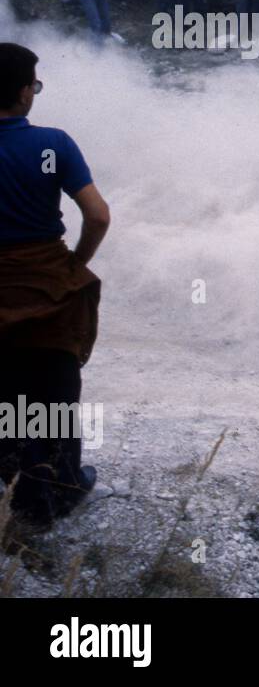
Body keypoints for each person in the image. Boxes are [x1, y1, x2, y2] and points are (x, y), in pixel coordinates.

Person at [0, 43, 108, 543]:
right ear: (24, 93)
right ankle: (62, 487)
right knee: (54, 389)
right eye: (34, 86)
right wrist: (75, 265)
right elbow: (98, 215)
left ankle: (14, 488)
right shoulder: (53, 144)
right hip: (49, 289)